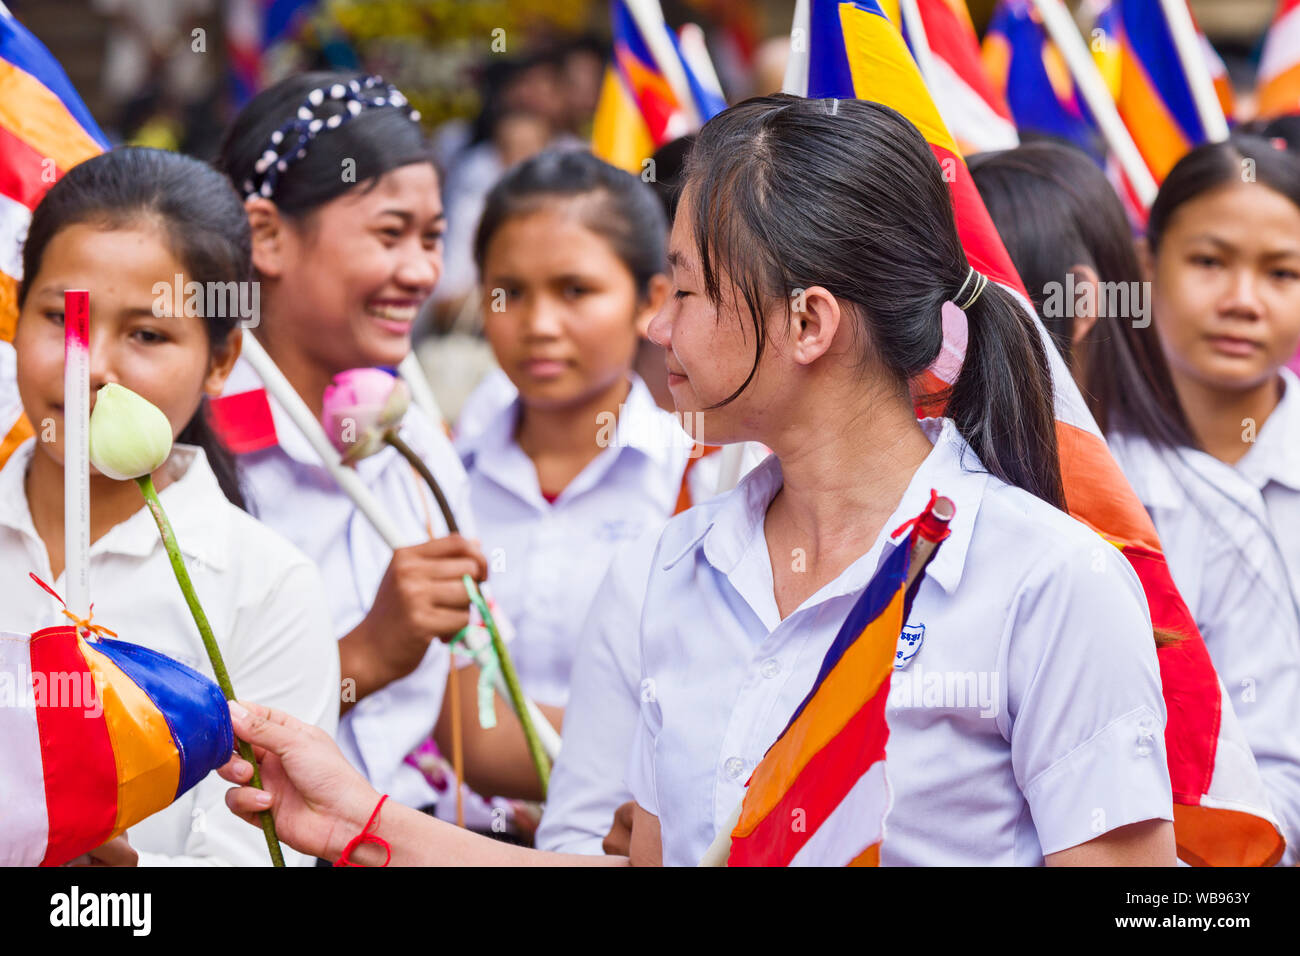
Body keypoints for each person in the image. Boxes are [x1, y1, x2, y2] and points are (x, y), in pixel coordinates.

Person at [220, 95, 1176, 866]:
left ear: (808, 322)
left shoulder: (1049, 580)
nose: (657, 327)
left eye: (683, 289)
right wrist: (355, 819)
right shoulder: (661, 571)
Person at [212, 71, 555, 817]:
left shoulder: (417, 444)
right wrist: (367, 653)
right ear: (265, 235)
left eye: (432, 239)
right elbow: (178, 739)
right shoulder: (190, 458)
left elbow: (471, 720)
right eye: (389, 233)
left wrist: (661, 774)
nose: (422, 272)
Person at [2, 146, 338, 866]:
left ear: (220, 360)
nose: (87, 366)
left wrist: (120, 878)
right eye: (60, 318)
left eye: (147, 334)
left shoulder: (266, 588)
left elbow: (260, 853)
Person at [1103, 137, 1300, 862]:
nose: (1242, 301)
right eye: (1210, 262)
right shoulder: (1089, 472)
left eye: (1283, 273)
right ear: (1148, 267)